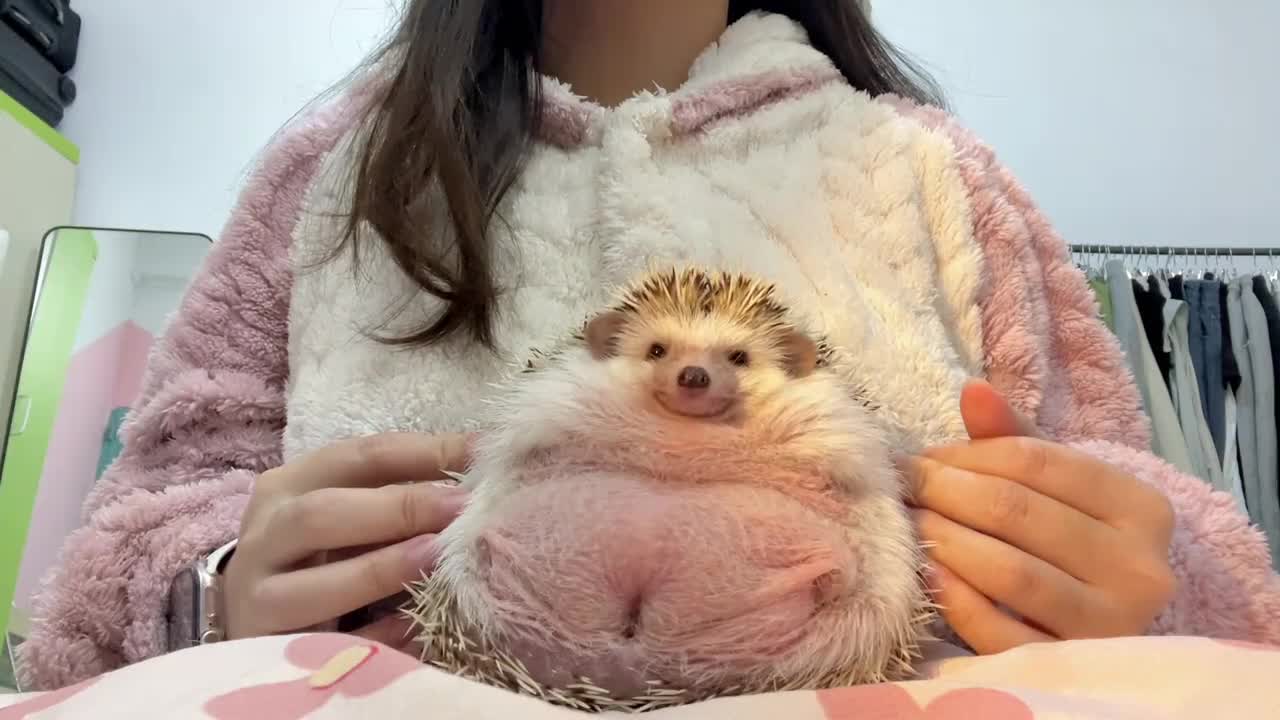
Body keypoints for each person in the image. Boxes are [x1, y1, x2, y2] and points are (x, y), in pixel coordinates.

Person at [18, 0, 1280, 691]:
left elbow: (1140, 507)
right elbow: (150, 517)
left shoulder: (931, 177)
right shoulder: (334, 176)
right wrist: (207, 584)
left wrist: (1153, 589)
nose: (695, 380)